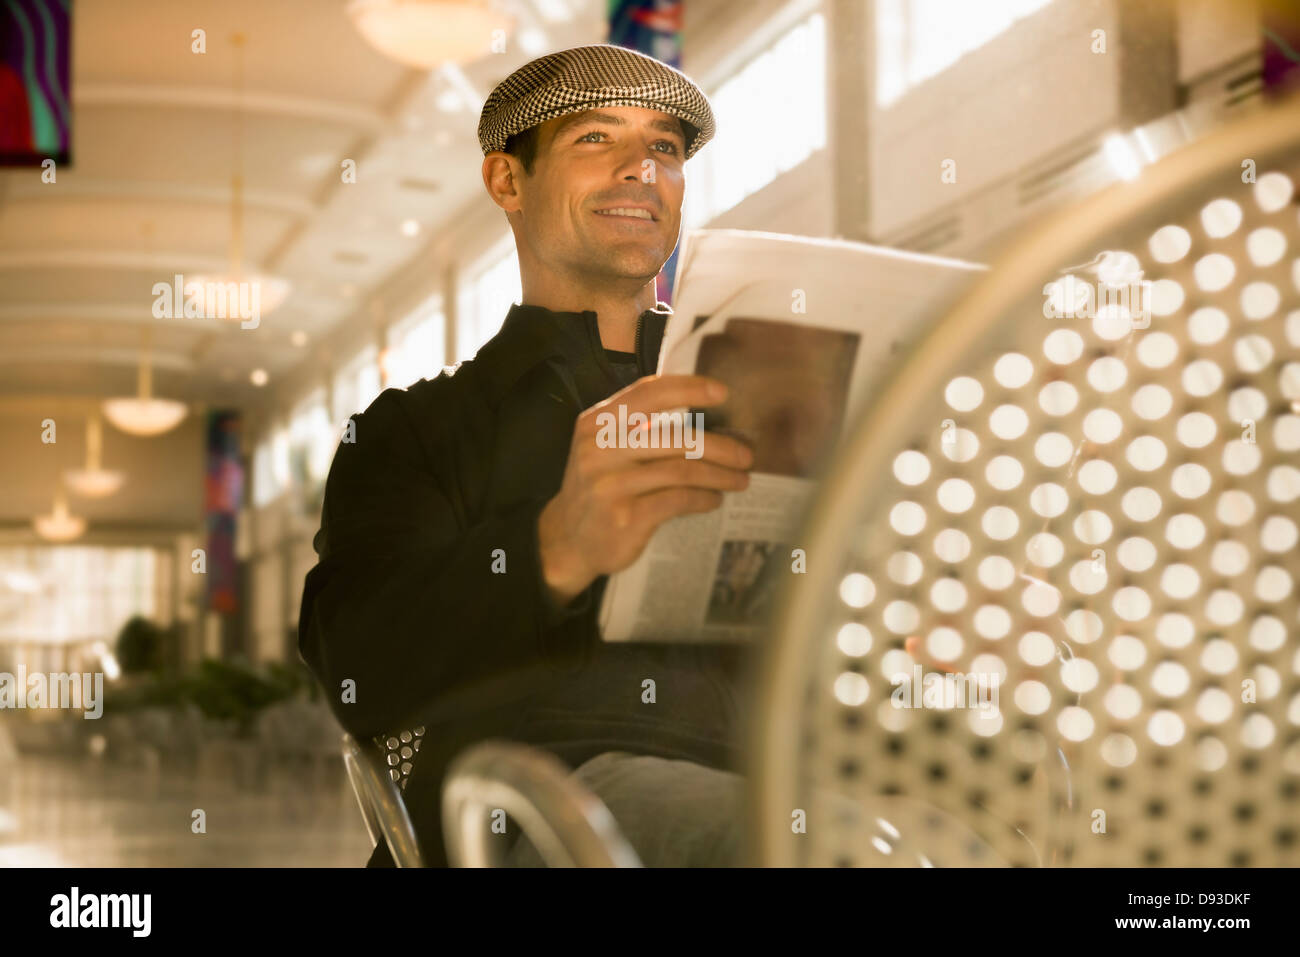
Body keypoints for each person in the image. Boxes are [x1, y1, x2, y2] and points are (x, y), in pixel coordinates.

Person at [298, 44, 756, 867]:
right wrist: (551, 549)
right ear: (507, 181)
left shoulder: (745, 403)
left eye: (664, 148)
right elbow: (356, 668)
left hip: (773, 774)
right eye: (596, 140)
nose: (641, 170)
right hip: (539, 807)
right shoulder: (414, 430)